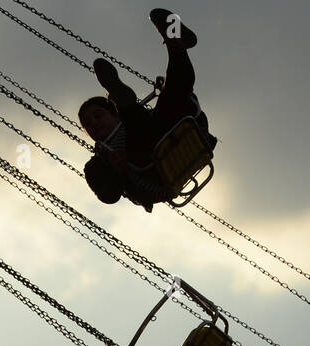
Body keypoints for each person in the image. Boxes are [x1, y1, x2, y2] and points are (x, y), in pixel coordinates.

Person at [78, 9, 215, 212]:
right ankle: (122, 100)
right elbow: (108, 195)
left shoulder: (149, 120)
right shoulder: (98, 164)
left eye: (98, 116)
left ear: (113, 115)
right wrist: (118, 171)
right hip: (151, 171)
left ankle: (175, 44)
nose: (94, 124)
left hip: (178, 133)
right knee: (139, 132)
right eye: (88, 124)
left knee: (172, 99)